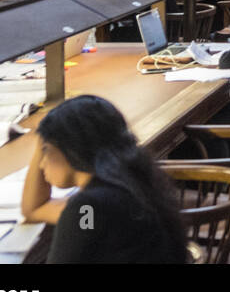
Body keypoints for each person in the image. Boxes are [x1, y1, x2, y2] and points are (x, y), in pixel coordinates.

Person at [21, 95, 188, 264]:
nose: (41, 165)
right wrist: (47, 131)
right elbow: (35, 209)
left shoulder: (87, 207)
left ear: (71, 149)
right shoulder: (131, 185)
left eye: (46, 150)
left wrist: (49, 131)